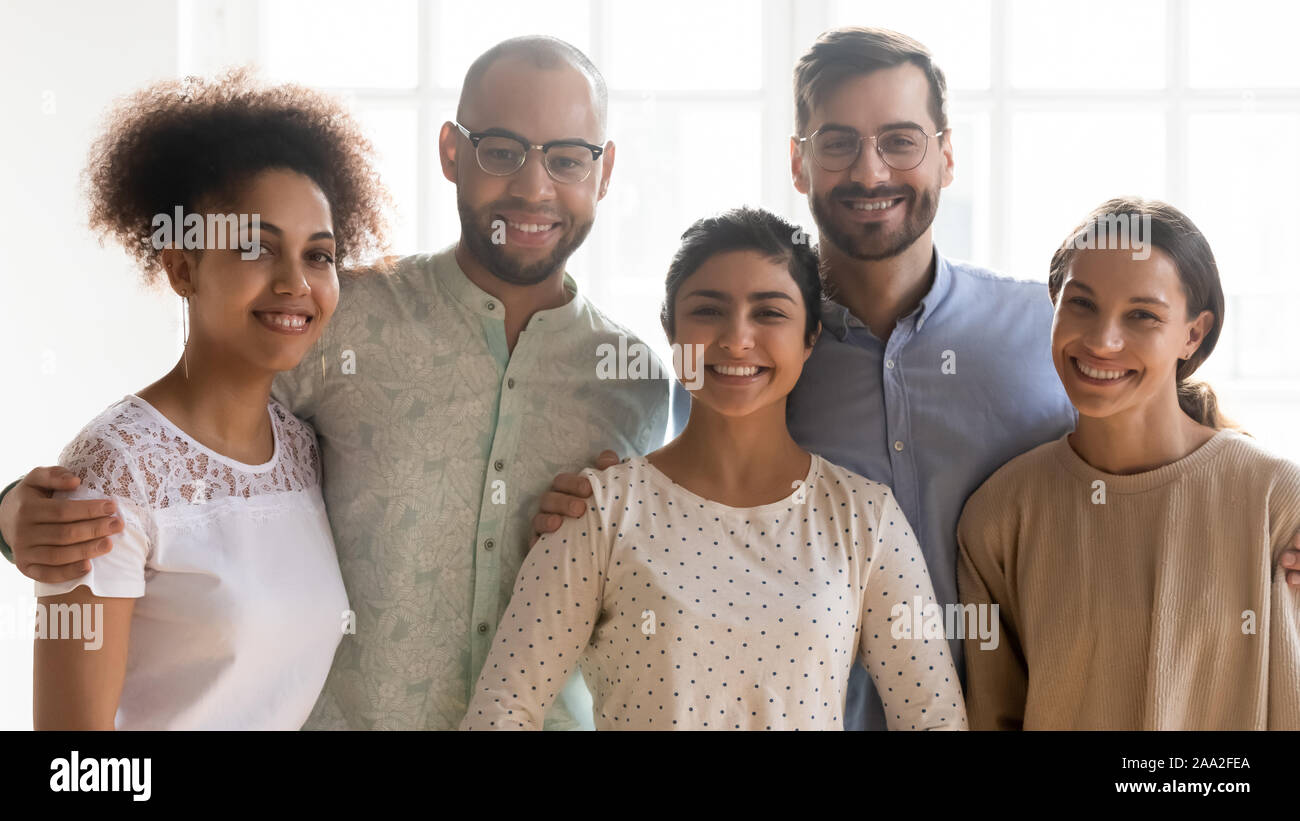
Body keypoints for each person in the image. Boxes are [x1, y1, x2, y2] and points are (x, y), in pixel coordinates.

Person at [529, 26, 1300, 730]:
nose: (871, 171)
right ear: (799, 161)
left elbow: (1165, 453)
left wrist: (1274, 532)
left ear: (946, 155)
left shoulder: (1047, 328)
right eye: (838, 143)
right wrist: (592, 506)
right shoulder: (756, 353)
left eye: (900, 140)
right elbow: (685, 496)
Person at [0, 36, 669, 730]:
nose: (533, 187)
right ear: (451, 152)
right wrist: (16, 511)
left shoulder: (640, 388)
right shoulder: (339, 318)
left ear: (606, 168)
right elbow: (189, 442)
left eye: (567, 157)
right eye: (501, 150)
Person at [462, 207, 966, 730]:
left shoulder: (866, 519)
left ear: (811, 335)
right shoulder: (598, 512)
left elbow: (935, 719)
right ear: (670, 328)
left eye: (769, 313)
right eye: (708, 311)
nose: (736, 339)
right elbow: (501, 712)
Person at [26, 70, 389, 729]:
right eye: (257, 247)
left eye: (318, 255)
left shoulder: (304, 450)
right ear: (182, 267)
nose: (295, 283)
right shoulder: (112, 472)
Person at [957, 197, 1300, 730]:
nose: (1101, 341)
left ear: (1193, 332)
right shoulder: (1001, 515)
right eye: (1082, 304)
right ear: (1053, 303)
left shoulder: (1276, 501)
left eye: (1142, 315)